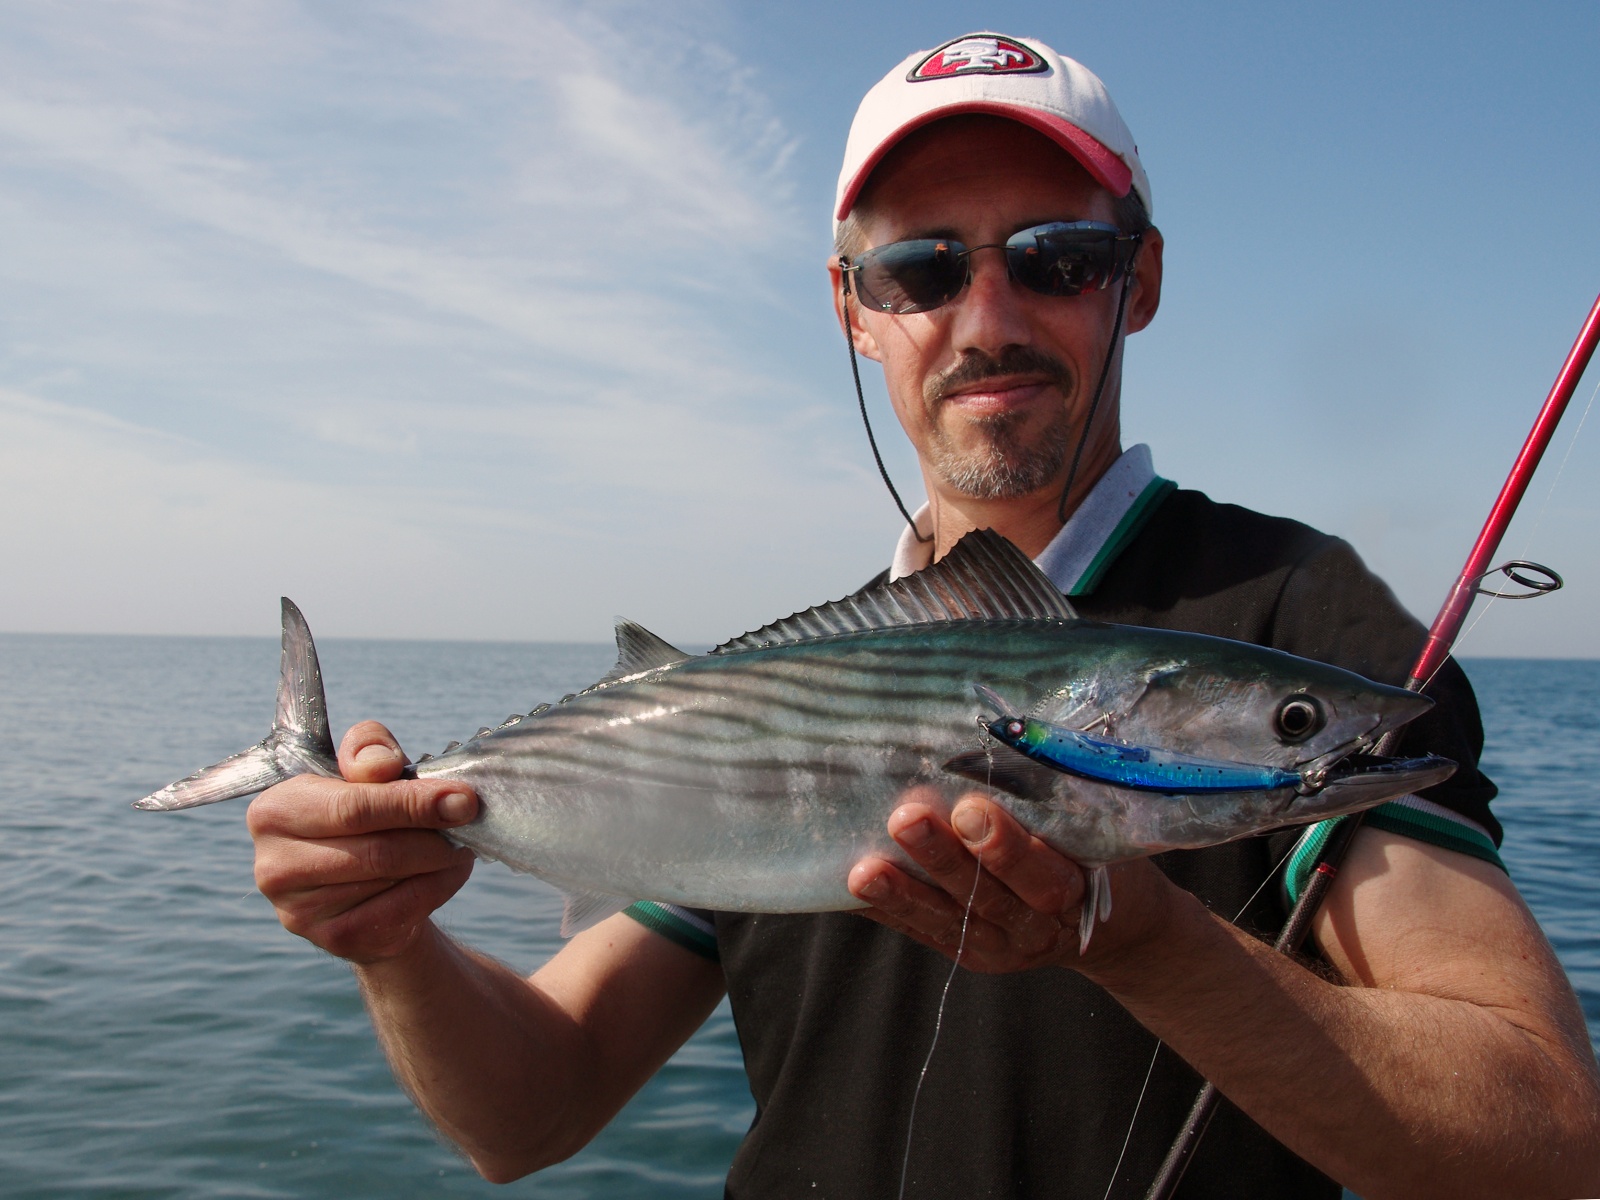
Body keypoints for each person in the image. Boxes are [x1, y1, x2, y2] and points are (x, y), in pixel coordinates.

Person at [246, 32, 1600, 1199]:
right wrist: (396, 941)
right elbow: (529, 1113)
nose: (988, 316)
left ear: (1144, 278)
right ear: (853, 308)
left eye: (1060, 257)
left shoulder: (1309, 616)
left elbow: (1546, 1149)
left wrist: (1140, 939)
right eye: (921, 269)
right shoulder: (780, 688)